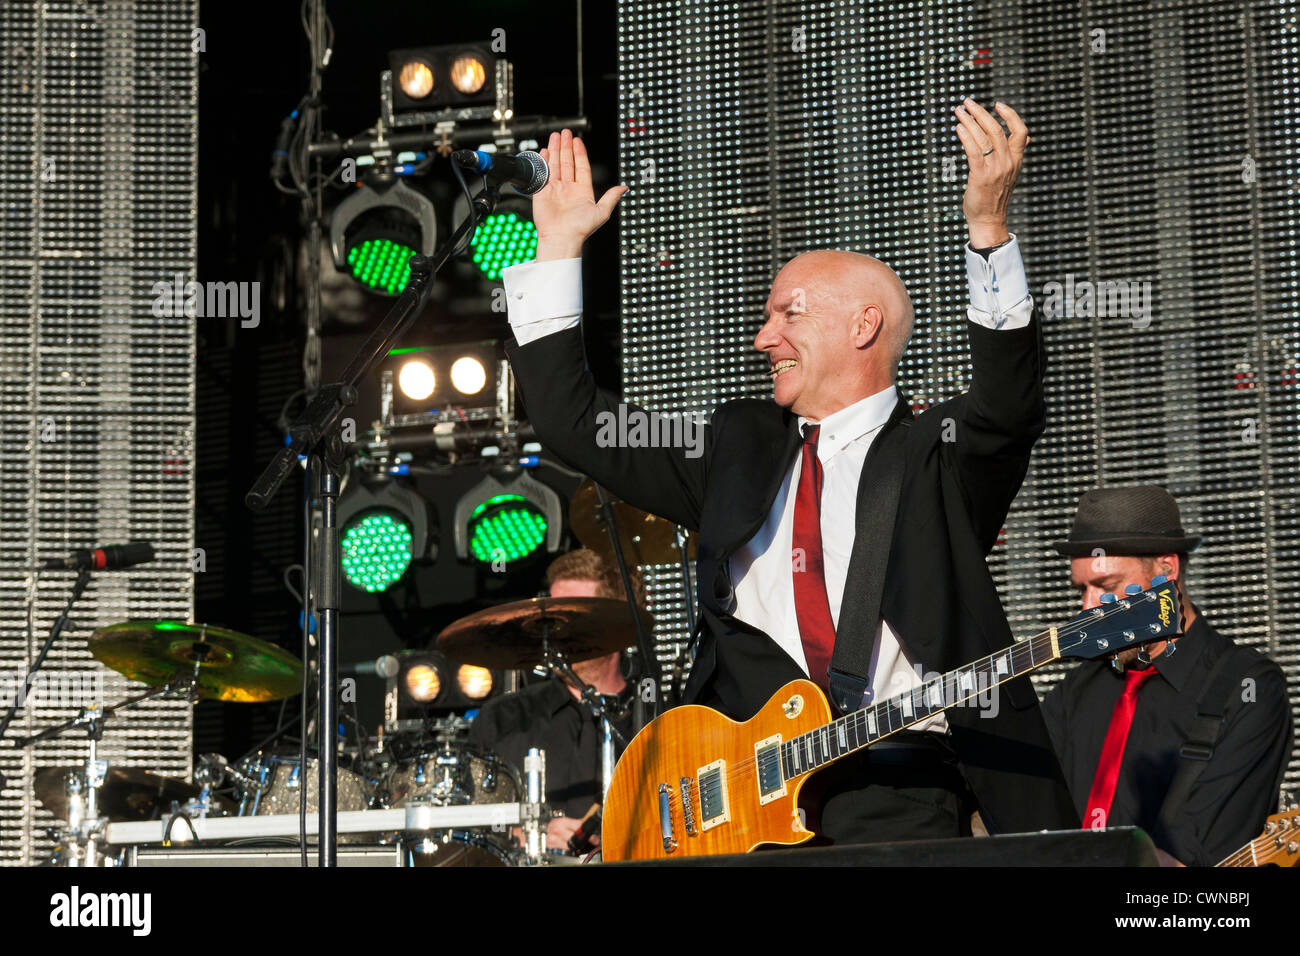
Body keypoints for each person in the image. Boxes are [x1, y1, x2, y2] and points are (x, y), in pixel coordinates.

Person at [499, 100, 1079, 847]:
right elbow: (574, 421)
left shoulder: (936, 455)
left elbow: (1009, 403)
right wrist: (559, 242)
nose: (761, 336)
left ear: (862, 326)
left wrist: (989, 230)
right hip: (745, 798)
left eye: (788, 315)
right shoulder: (735, 447)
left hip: (895, 788)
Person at [1039, 486, 1293, 865]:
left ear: (1166, 570)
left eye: (1106, 587)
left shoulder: (1246, 689)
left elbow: (1206, 848)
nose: (1088, 607)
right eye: (1082, 589)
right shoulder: (1073, 693)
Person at [467, 548, 641, 851]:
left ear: (617, 622)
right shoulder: (503, 719)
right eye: (554, 616)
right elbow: (466, 829)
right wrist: (523, 837)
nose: (558, 629)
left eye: (573, 615)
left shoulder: (657, 718)